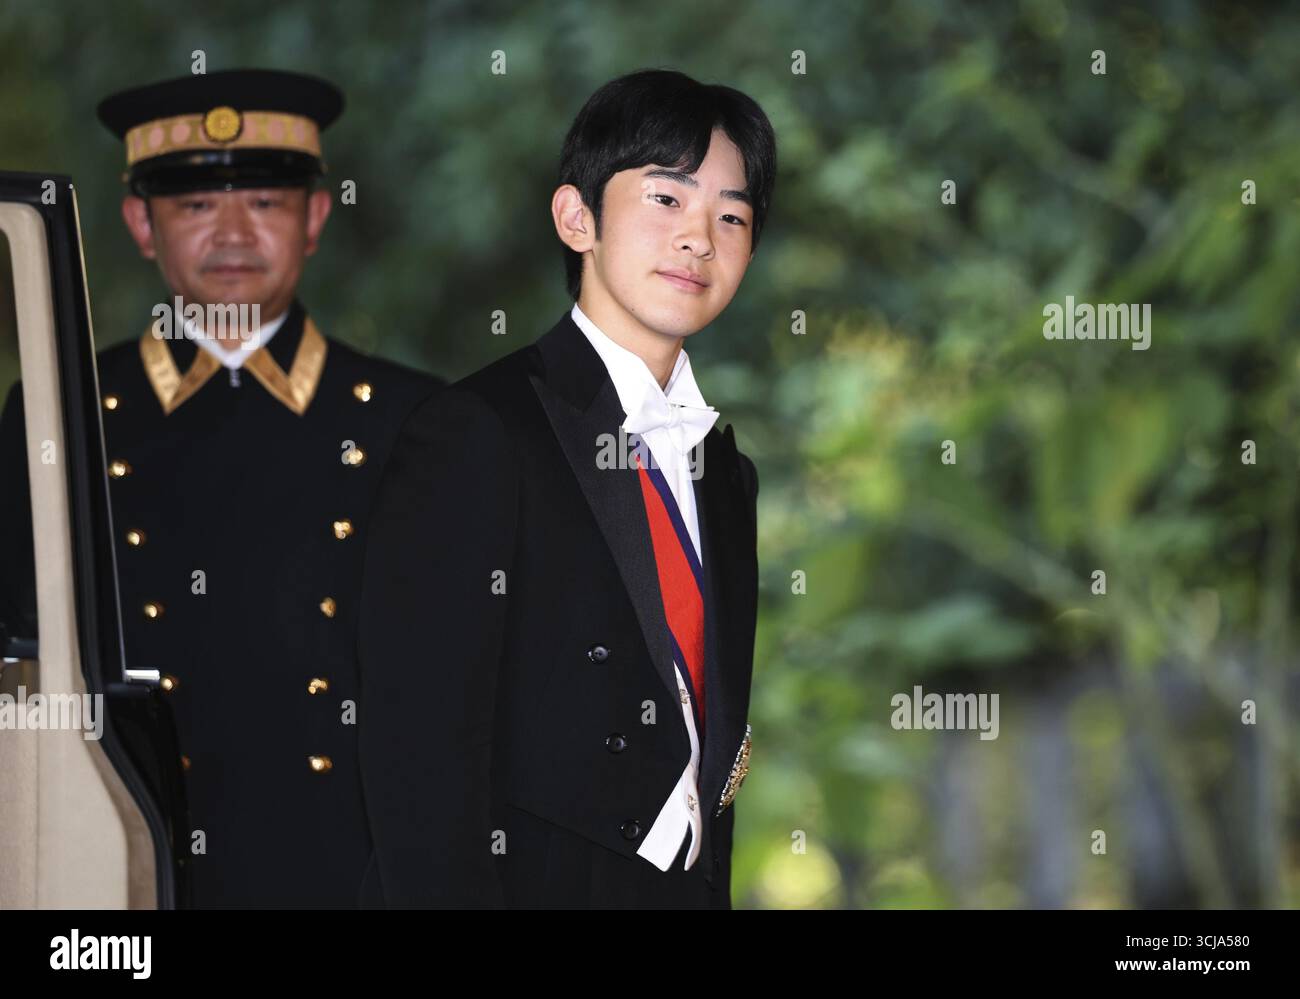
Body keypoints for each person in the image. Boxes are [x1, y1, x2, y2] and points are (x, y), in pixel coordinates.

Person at [0, 67, 443, 907]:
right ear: (141, 223)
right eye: (197, 206)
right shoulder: (63, 412)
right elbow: (17, 665)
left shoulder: (411, 418)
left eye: (266, 203)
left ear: (314, 218)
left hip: (345, 874)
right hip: (123, 863)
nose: (233, 232)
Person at [357, 68, 774, 908]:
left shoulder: (726, 472)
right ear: (576, 216)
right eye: (666, 199)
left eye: (730, 215)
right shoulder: (477, 430)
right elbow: (419, 760)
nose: (699, 237)